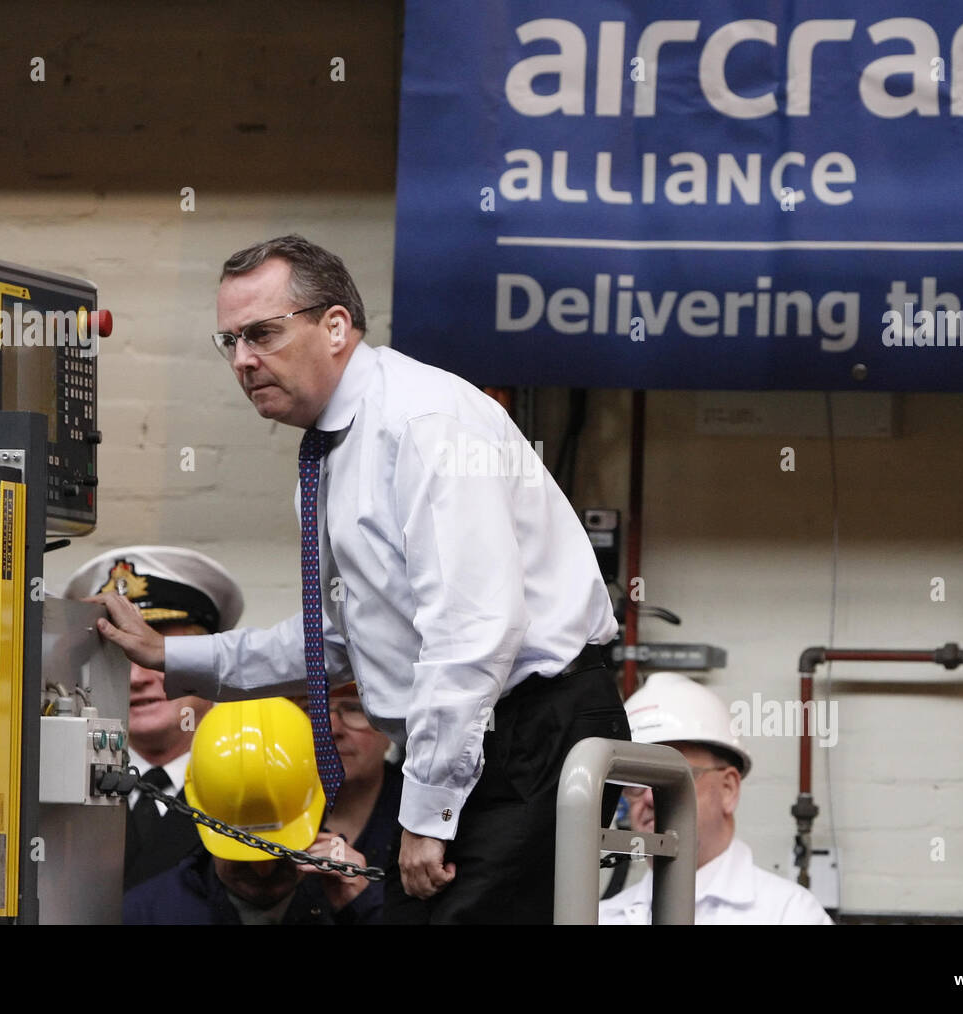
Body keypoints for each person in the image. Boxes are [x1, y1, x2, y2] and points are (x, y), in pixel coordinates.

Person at [92, 235, 629, 923]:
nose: (244, 360)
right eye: (229, 341)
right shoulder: (336, 445)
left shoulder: (422, 423)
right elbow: (340, 641)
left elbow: (474, 632)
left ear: (337, 326)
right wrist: (174, 657)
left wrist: (429, 813)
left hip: (531, 727)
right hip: (485, 732)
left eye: (262, 333)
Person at [62, 545, 243, 891]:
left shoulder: (259, 780)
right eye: (117, 658)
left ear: (209, 660)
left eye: (159, 655)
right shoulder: (56, 787)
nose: (136, 678)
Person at [123, 698, 384, 925]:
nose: (264, 871)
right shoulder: (144, 913)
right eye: (243, 856)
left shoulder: (363, 903)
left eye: (282, 852)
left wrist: (365, 910)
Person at [599, 673, 833, 925]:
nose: (649, 798)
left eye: (675, 779)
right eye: (636, 781)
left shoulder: (790, 915)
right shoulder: (603, 917)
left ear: (728, 789)